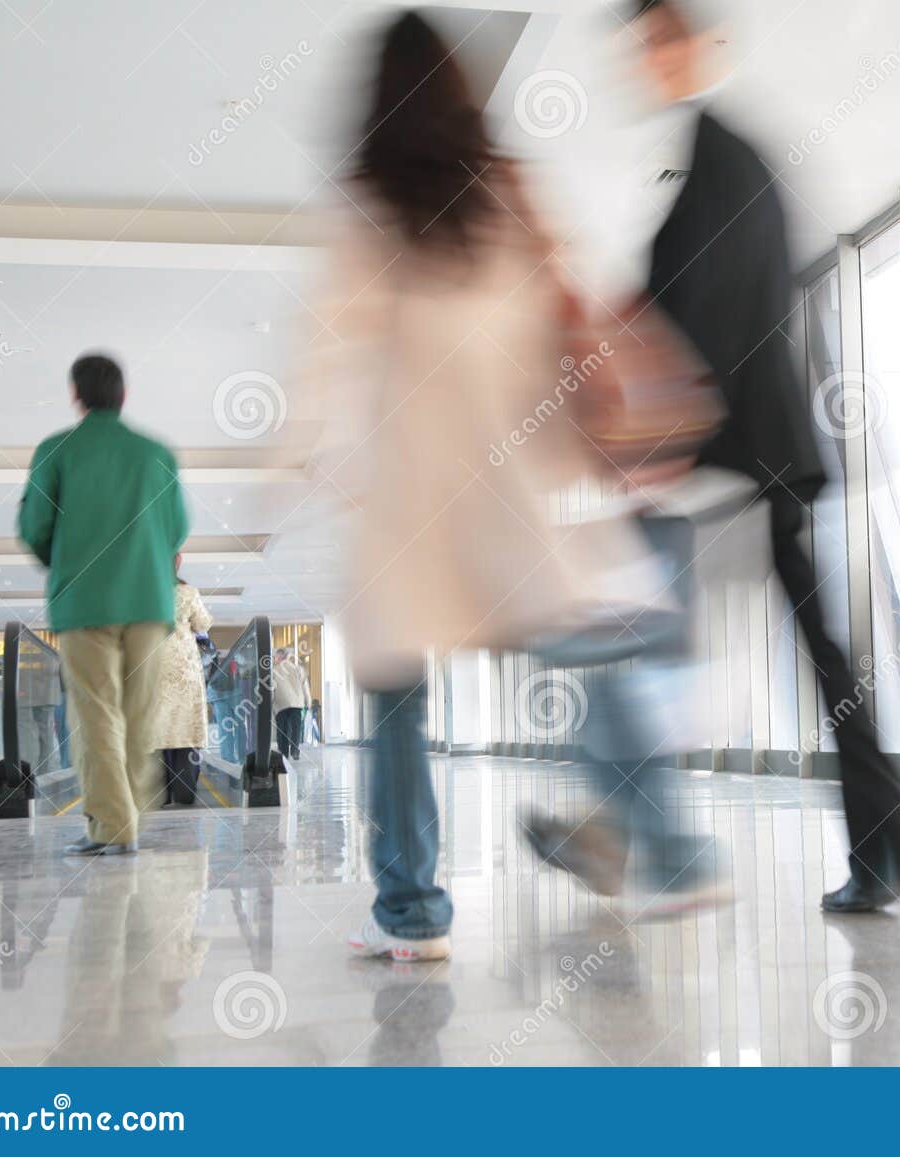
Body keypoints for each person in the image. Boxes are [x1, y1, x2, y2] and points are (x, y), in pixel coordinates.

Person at [299, 12, 658, 958]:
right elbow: (565, 312)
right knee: (573, 635)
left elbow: (328, 347)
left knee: (396, 695)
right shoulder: (504, 193)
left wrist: (305, 461)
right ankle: (627, 817)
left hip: (412, 487)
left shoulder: (368, 208)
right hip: (510, 471)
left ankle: (414, 915)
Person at [627, 0, 900, 911]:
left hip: (740, 453)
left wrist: (667, 442)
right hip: (760, 451)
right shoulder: (730, 154)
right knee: (814, 654)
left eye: (657, 43)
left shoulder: (720, 157)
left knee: (640, 625)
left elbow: (717, 308)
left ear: (693, 47)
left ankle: (644, 834)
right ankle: (883, 845)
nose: (645, 61)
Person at [17, 352, 188, 856]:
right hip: (148, 600)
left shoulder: (57, 450)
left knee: (95, 714)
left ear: (76, 395)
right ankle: (128, 813)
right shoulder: (157, 453)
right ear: (124, 395)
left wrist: (66, 558)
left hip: (83, 601)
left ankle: (114, 825)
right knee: (139, 712)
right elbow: (176, 529)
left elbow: (35, 528)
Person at [152, 554, 213, 805]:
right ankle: (184, 789)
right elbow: (203, 623)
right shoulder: (187, 592)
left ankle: (159, 792)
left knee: (156, 728)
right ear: (176, 562)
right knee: (185, 728)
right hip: (182, 668)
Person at [272, 646, 310, 759]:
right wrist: (308, 701)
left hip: (281, 704)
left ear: (279, 657)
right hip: (297, 703)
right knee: (296, 728)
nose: (274, 659)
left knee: (282, 729)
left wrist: (271, 703)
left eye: (275, 657)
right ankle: (294, 750)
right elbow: (305, 686)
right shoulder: (298, 669)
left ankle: (283, 752)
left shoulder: (274, 671)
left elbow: (271, 688)